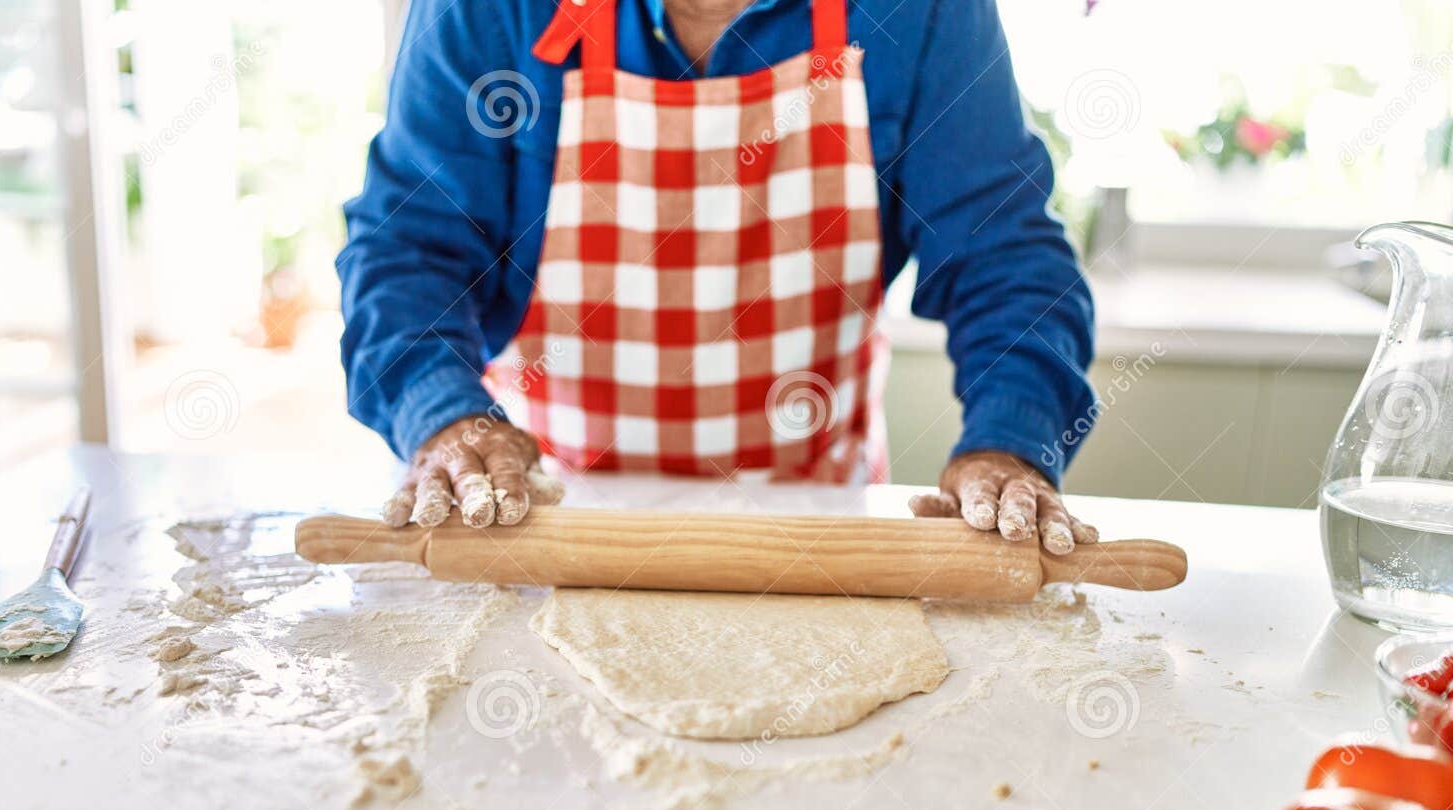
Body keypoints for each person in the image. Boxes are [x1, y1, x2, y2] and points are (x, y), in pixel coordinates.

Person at [339, 0, 1099, 552]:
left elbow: (1007, 259)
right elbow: (406, 252)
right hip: (542, 524)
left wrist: (1009, 443)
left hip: (819, 537)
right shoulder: (485, 12)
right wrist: (444, 419)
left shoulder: (925, 12)